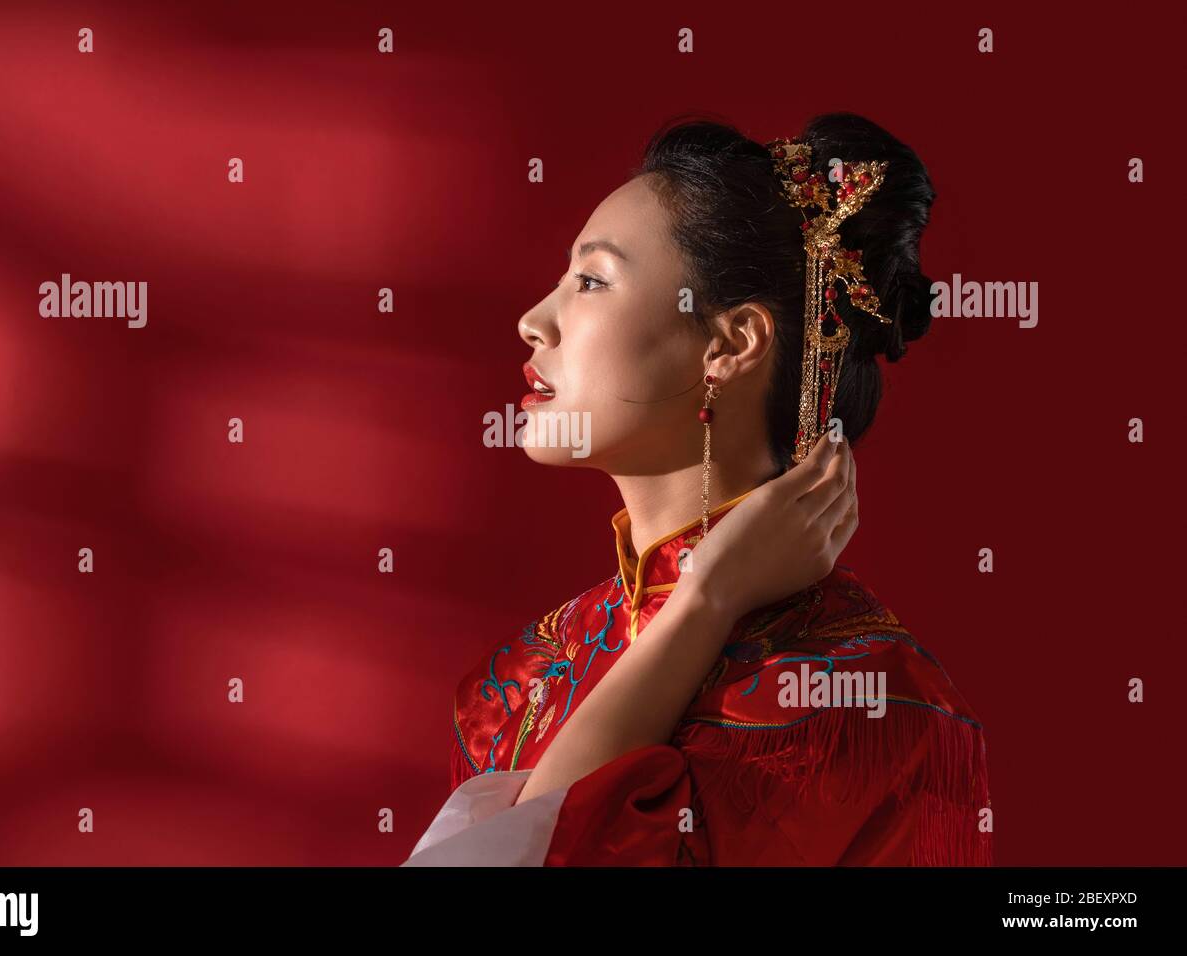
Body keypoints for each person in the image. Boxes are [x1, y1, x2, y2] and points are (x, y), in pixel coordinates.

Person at [403, 112, 991, 866]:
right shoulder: (521, 681)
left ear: (728, 344)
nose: (533, 322)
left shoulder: (874, 706)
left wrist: (707, 599)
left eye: (590, 280)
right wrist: (703, 599)